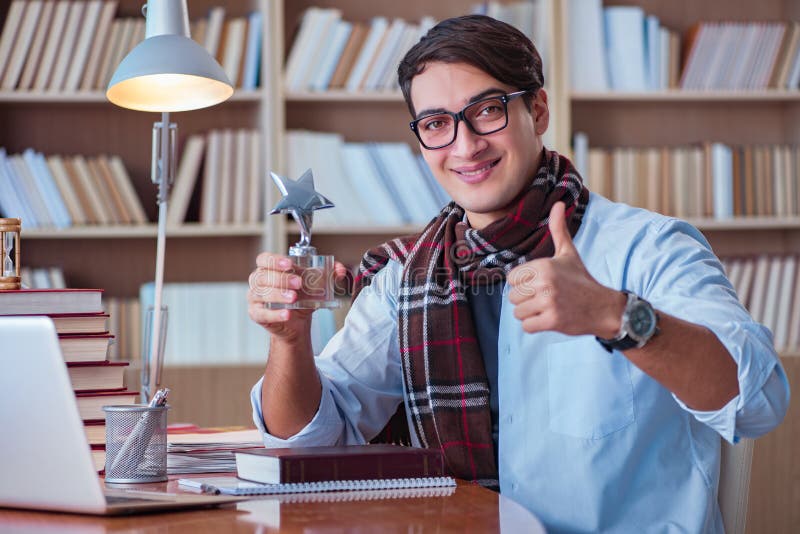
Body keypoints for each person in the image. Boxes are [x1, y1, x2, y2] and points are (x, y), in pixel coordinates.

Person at [247, 15, 789, 533]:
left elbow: (757, 399)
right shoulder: (408, 278)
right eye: (437, 124)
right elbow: (307, 440)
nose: (465, 145)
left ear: (539, 110)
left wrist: (616, 315)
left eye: (486, 111)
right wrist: (289, 342)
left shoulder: (647, 247)